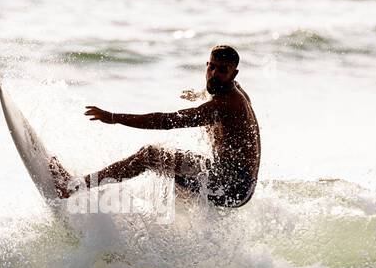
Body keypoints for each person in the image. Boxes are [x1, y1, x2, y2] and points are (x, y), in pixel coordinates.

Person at [49, 44, 260, 208]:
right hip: (235, 180)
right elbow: (213, 88)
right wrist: (198, 94)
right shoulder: (232, 89)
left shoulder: (224, 106)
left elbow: (165, 121)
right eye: (211, 67)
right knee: (175, 167)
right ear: (207, 65)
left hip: (232, 187)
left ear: (234, 73)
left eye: (222, 70)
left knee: (150, 156)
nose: (214, 74)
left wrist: (113, 117)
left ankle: (73, 187)